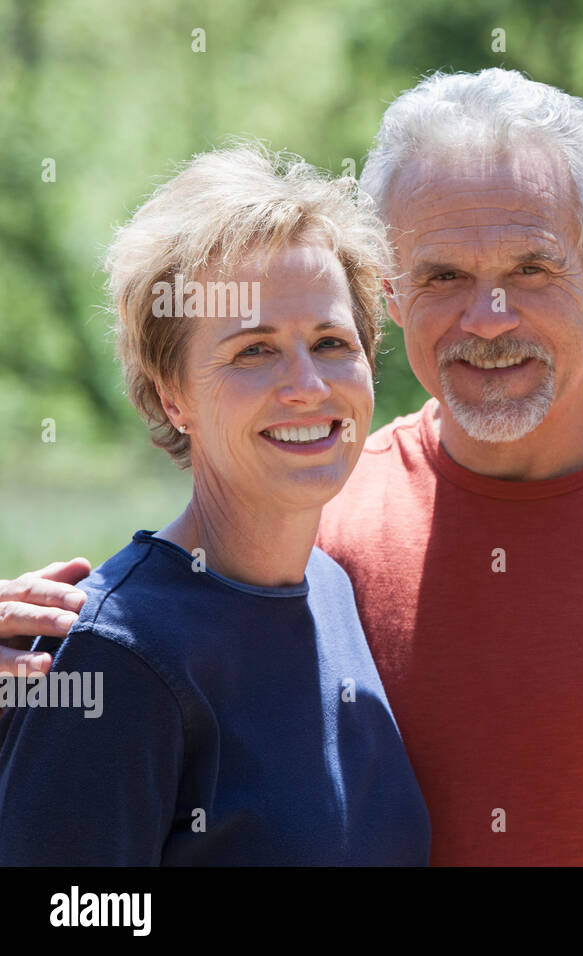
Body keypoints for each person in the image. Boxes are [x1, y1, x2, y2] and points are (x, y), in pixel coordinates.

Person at [2, 69, 583, 865]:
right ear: (393, 292)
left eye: (530, 266)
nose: (488, 318)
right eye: (441, 277)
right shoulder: (329, 526)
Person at [0, 146, 430, 865]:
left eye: (330, 342)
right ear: (174, 394)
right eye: (253, 351)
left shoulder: (332, 591)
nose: (307, 386)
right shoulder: (114, 654)